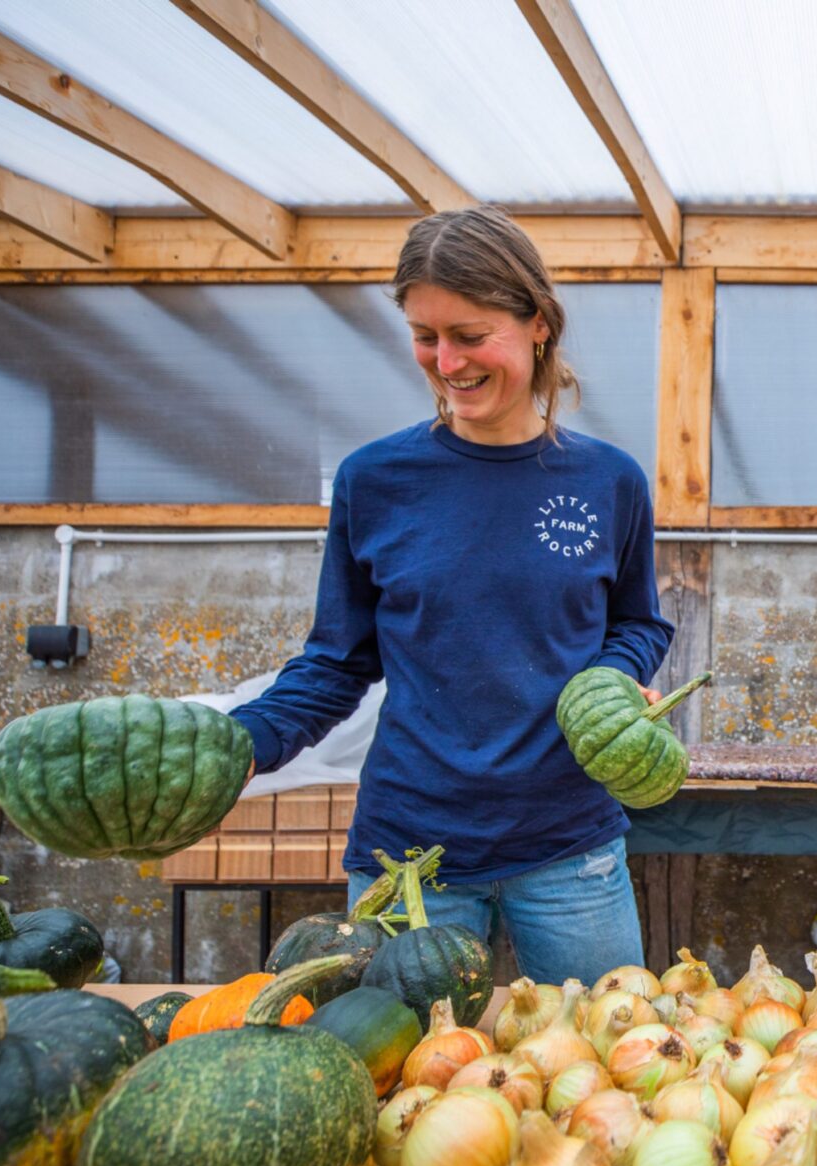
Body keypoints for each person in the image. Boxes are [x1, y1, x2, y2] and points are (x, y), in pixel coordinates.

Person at [229, 206, 671, 984]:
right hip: (410, 854)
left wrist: (612, 675)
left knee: (609, 1068)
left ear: (537, 323)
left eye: (470, 336)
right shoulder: (375, 481)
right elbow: (336, 662)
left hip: (571, 849)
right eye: (424, 336)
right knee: (402, 1079)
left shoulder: (609, 481)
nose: (446, 360)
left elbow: (637, 622)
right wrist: (240, 744)